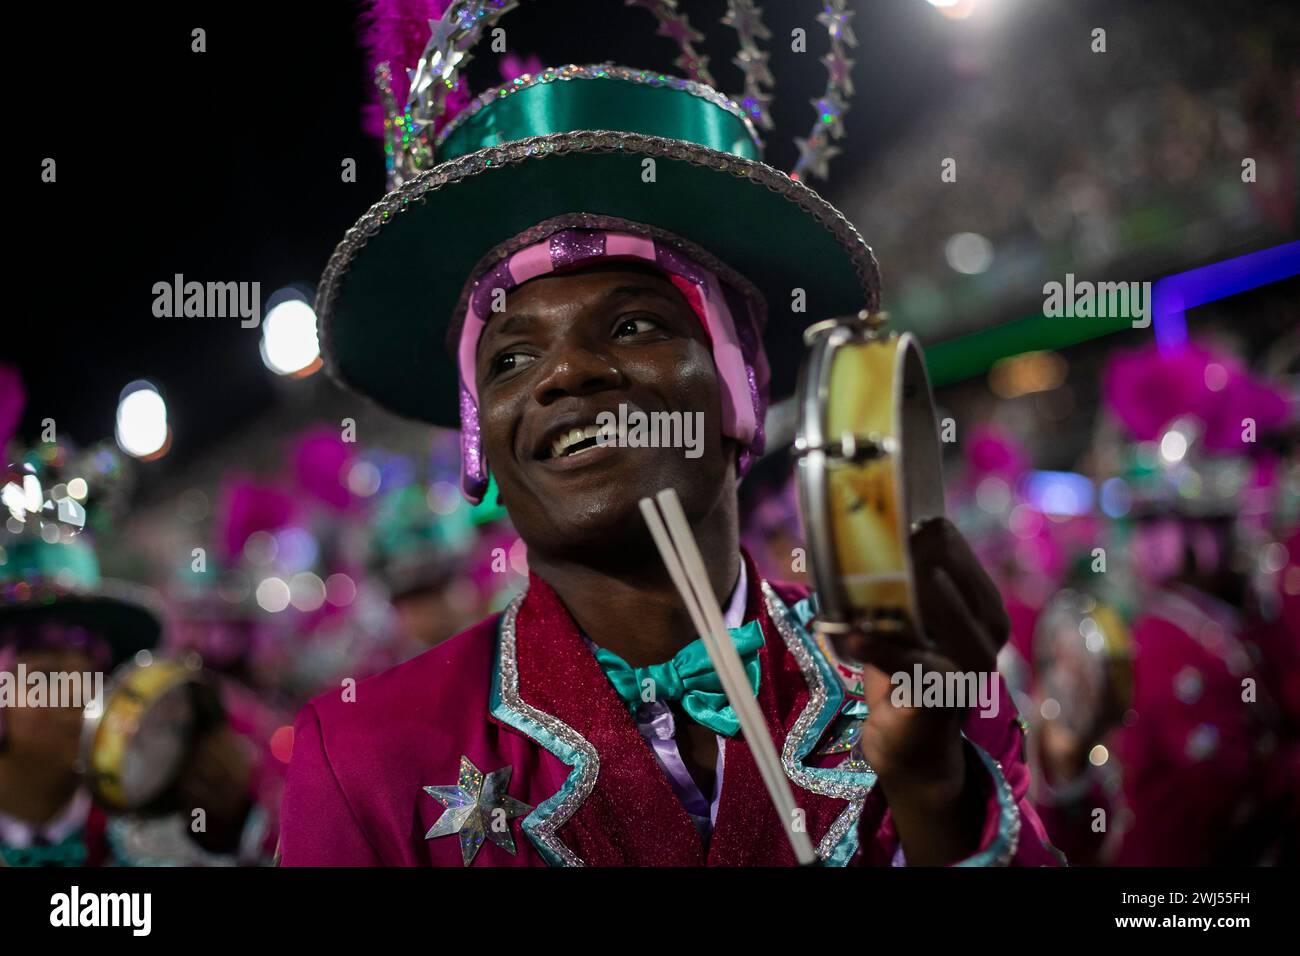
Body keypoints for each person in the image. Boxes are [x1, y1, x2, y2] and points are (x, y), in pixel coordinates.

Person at [280, 3, 1059, 867]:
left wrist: (933, 787)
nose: (565, 374)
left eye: (634, 327)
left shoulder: (919, 675)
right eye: (509, 359)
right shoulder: (363, 755)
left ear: (740, 382)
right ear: (481, 438)